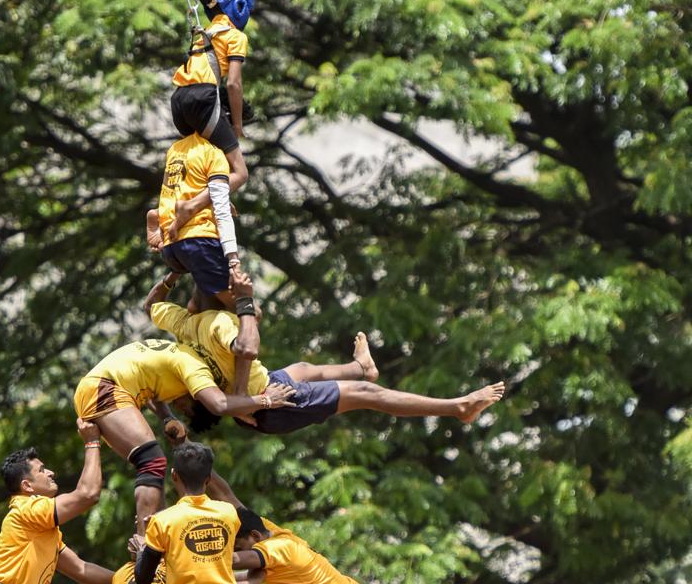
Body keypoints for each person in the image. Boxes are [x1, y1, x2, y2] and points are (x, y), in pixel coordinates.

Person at [145, 270, 506, 435]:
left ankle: (358, 366)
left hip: (266, 385)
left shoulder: (184, 325)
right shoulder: (217, 330)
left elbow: (152, 306)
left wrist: (172, 274)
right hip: (274, 402)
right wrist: (243, 302)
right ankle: (457, 408)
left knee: (303, 367)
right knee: (367, 396)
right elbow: (245, 351)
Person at [72, 338, 295, 534]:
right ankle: (145, 541)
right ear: (197, 397)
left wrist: (167, 418)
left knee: (152, 464)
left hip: (104, 387)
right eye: (185, 409)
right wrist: (266, 400)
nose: (179, 407)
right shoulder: (195, 372)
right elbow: (218, 404)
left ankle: (153, 538)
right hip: (105, 386)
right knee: (152, 461)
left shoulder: (176, 370)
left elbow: (151, 389)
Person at [0, 420, 113, 584]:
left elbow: (81, 570)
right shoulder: (27, 509)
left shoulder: (43, 529)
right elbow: (87, 494)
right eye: (42, 470)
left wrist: (127, 578)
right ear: (27, 486)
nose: (51, 472)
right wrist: (92, 442)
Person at [206, 457, 388, 584]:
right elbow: (227, 497)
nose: (239, 552)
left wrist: (191, 558)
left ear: (255, 536)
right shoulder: (267, 531)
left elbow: (233, 561)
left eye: (239, 547)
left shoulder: (280, 548)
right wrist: (188, 452)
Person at [168, 0, 255, 237]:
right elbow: (234, 85)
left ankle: (185, 213)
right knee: (239, 173)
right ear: (239, 7)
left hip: (178, 100)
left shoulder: (203, 34)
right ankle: (192, 206)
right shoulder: (235, 36)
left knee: (205, 162)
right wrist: (237, 125)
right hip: (203, 99)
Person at [134, 442, 244, 584]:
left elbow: (143, 578)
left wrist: (142, 547)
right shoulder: (229, 513)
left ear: (174, 475)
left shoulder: (163, 521)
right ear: (208, 478)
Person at [145, 128, 243, 312]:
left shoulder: (184, 324)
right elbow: (151, 307)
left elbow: (150, 306)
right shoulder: (222, 330)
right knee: (249, 313)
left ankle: (181, 212)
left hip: (176, 248)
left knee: (249, 312)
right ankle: (189, 209)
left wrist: (180, 268)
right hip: (190, 245)